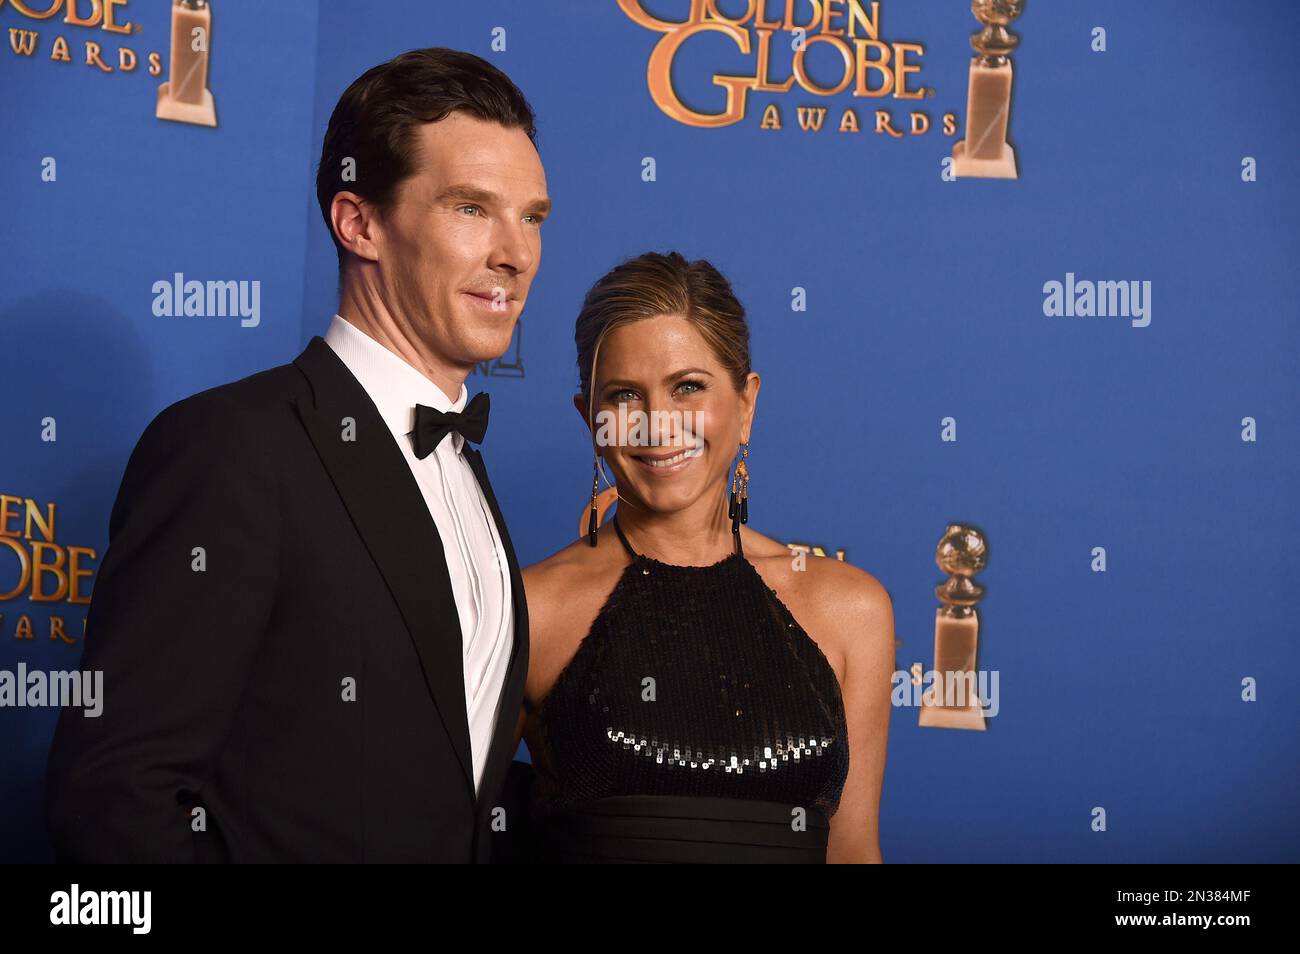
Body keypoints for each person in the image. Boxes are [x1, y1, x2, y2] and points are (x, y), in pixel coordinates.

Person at [45, 48, 548, 862]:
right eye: (470, 209)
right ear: (359, 223)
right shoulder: (232, 448)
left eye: (532, 217)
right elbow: (113, 797)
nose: (515, 255)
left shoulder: (463, 465)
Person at [516, 251, 894, 863]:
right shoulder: (529, 609)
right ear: (590, 419)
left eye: (687, 387)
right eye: (624, 396)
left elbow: (853, 854)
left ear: (746, 404)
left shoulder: (849, 607)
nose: (657, 424)